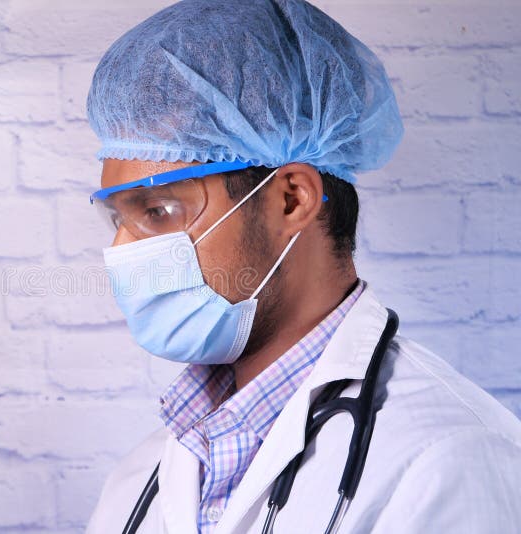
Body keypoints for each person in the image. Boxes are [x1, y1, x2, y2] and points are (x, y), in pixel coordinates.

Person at [82, 1, 521, 533]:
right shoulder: (142, 477)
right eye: (118, 218)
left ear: (292, 199)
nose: (124, 248)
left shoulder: (450, 459)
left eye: (158, 210)